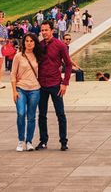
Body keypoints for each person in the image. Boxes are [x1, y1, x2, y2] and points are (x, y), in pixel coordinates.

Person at [37, 21, 71, 150]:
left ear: (52, 30)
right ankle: (43, 140)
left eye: (46, 30)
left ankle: (63, 141)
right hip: (42, 84)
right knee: (42, 114)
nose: (44, 32)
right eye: (42, 30)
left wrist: (65, 83)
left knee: (60, 114)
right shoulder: (39, 45)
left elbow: (68, 64)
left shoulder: (60, 45)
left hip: (55, 84)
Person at [11, 32, 42, 152]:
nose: (29, 43)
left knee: (31, 116)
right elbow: (13, 74)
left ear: (35, 43)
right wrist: (14, 91)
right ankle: (20, 139)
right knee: (21, 113)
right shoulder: (18, 56)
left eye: (31, 41)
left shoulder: (38, 55)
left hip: (34, 89)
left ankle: (29, 141)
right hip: (21, 88)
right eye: (27, 41)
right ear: (23, 42)